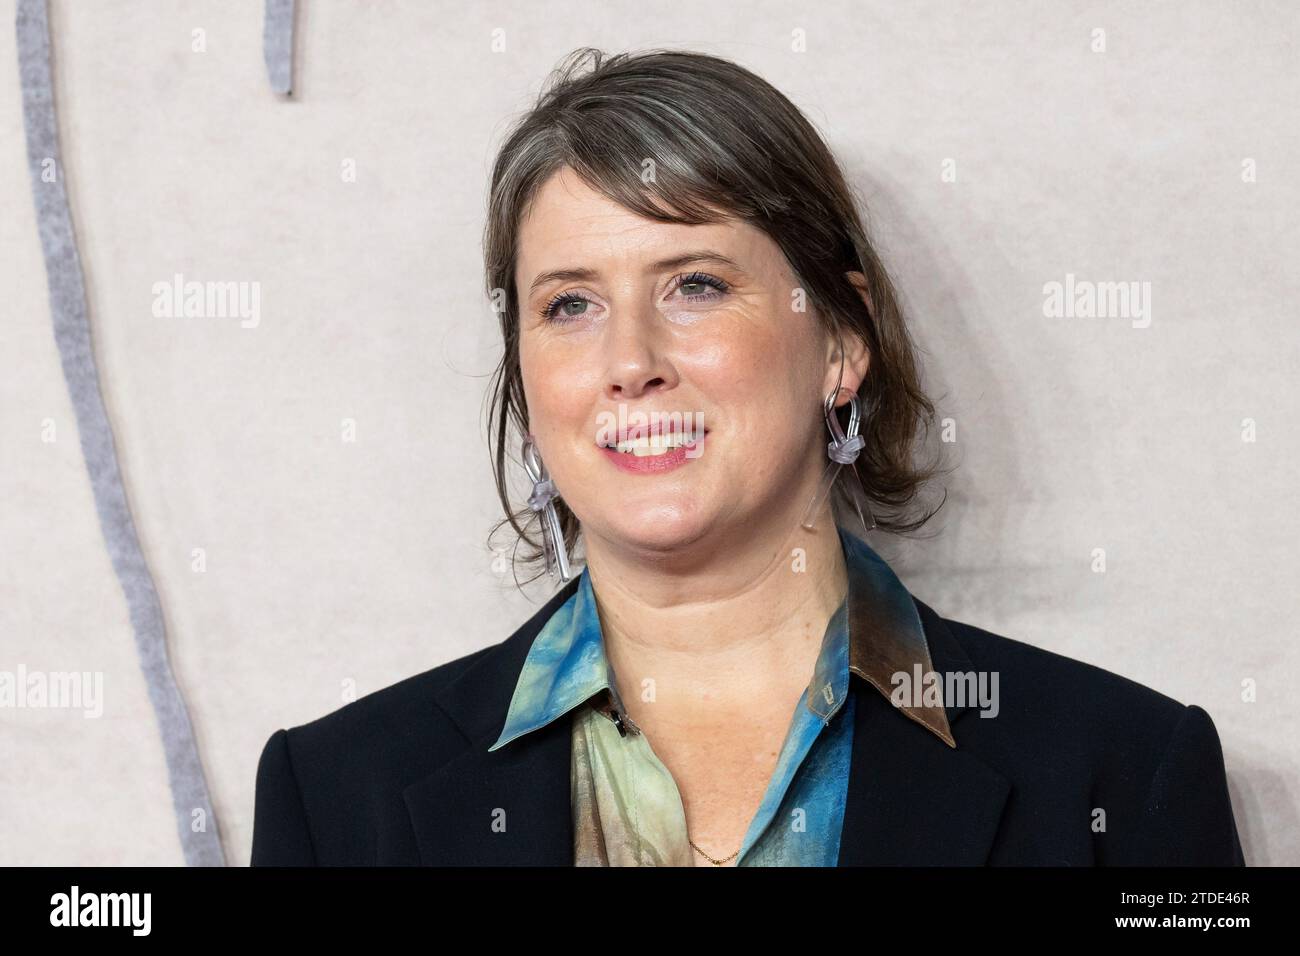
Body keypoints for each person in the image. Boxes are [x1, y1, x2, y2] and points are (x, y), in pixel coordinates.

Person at [251, 47, 1245, 867]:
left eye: (695, 284)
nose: (629, 361)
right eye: (569, 304)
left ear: (841, 343)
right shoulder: (338, 799)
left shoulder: (1124, 773)